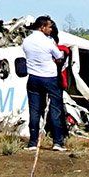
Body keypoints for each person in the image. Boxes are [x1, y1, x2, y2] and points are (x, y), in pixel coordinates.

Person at [23, 15, 67, 151]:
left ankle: (32, 142)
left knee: (34, 110)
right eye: (49, 27)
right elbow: (59, 56)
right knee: (55, 109)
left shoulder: (26, 41)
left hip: (33, 78)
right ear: (42, 27)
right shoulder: (48, 41)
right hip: (50, 78)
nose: (51, 29)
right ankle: (57, 142)